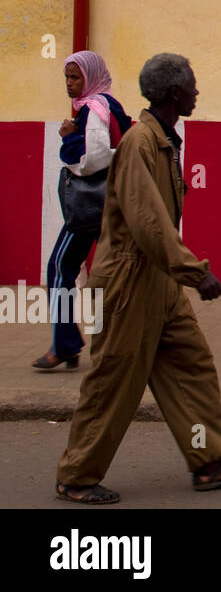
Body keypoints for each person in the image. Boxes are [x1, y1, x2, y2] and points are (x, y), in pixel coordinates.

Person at [55, 53, 221, 503]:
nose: (196, 92)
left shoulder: (164, 139)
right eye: (192, 86)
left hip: (157, 281)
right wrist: (193, 272)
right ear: (174, 93)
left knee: (191, 367)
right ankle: (76, 476)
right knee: (113, 381)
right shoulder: (139, 144)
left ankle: (210, 462)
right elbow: (148, 221)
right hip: (128, 281)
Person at [34, 52, 132, 372]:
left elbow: (95, 158)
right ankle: (79, 345)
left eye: (75, 78)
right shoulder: (110, 103)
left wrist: (69, 139)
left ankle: (65, 345)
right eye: (67, 78)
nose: (69, 84)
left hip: (89, 206)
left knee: (59, 268)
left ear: (89, 77)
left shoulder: (94, 109)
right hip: (112, 204)